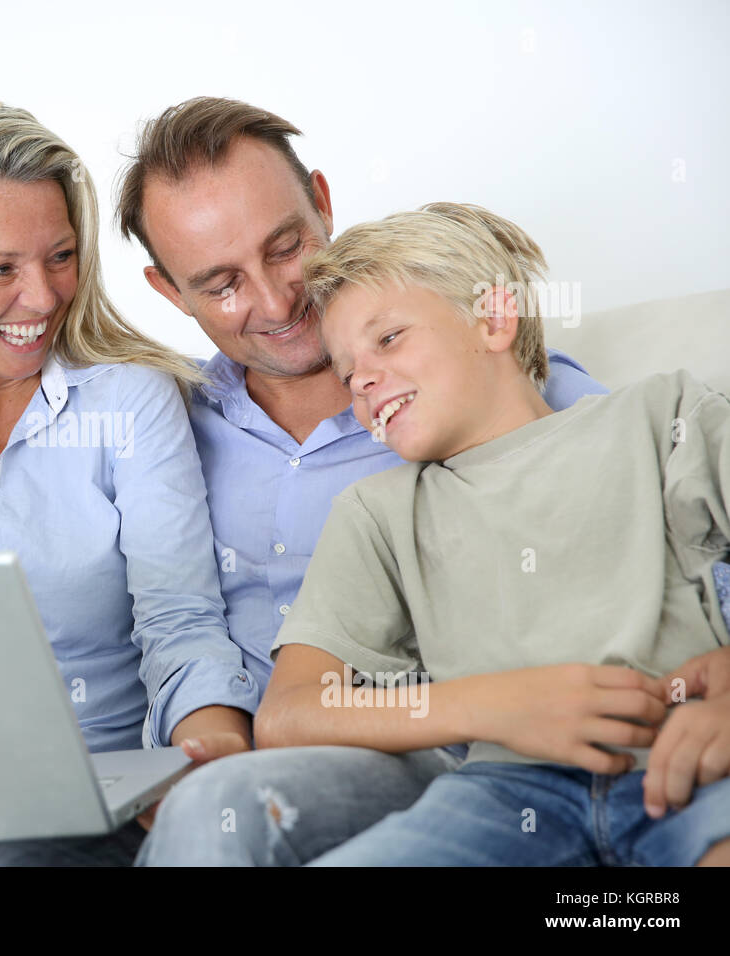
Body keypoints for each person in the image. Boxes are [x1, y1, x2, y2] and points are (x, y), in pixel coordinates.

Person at [116, 97, 609, 866]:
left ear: (322, 201)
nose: (279, 302)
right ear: (167, 290)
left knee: (230, 806)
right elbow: (173, 618)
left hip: (449, 754)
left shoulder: (466, 383)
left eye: (286, 248)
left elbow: (669, 535)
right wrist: (204, 734)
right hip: (252, 753)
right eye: (221, 285)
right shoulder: (160, 430)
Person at [0, 97, 260, 866]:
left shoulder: (130, 399)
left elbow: (179, 620)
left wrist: (209, 743)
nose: (44, 295)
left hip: (90, 798)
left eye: (60, 256)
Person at [271, 201, 730, 866]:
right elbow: (289, 713)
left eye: (389, 338)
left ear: (492, 317)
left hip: (690, 767)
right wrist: (488, 705)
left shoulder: (663, 416)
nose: (361, 380)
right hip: (499, 797)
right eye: (345, 371)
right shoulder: (378, 512)